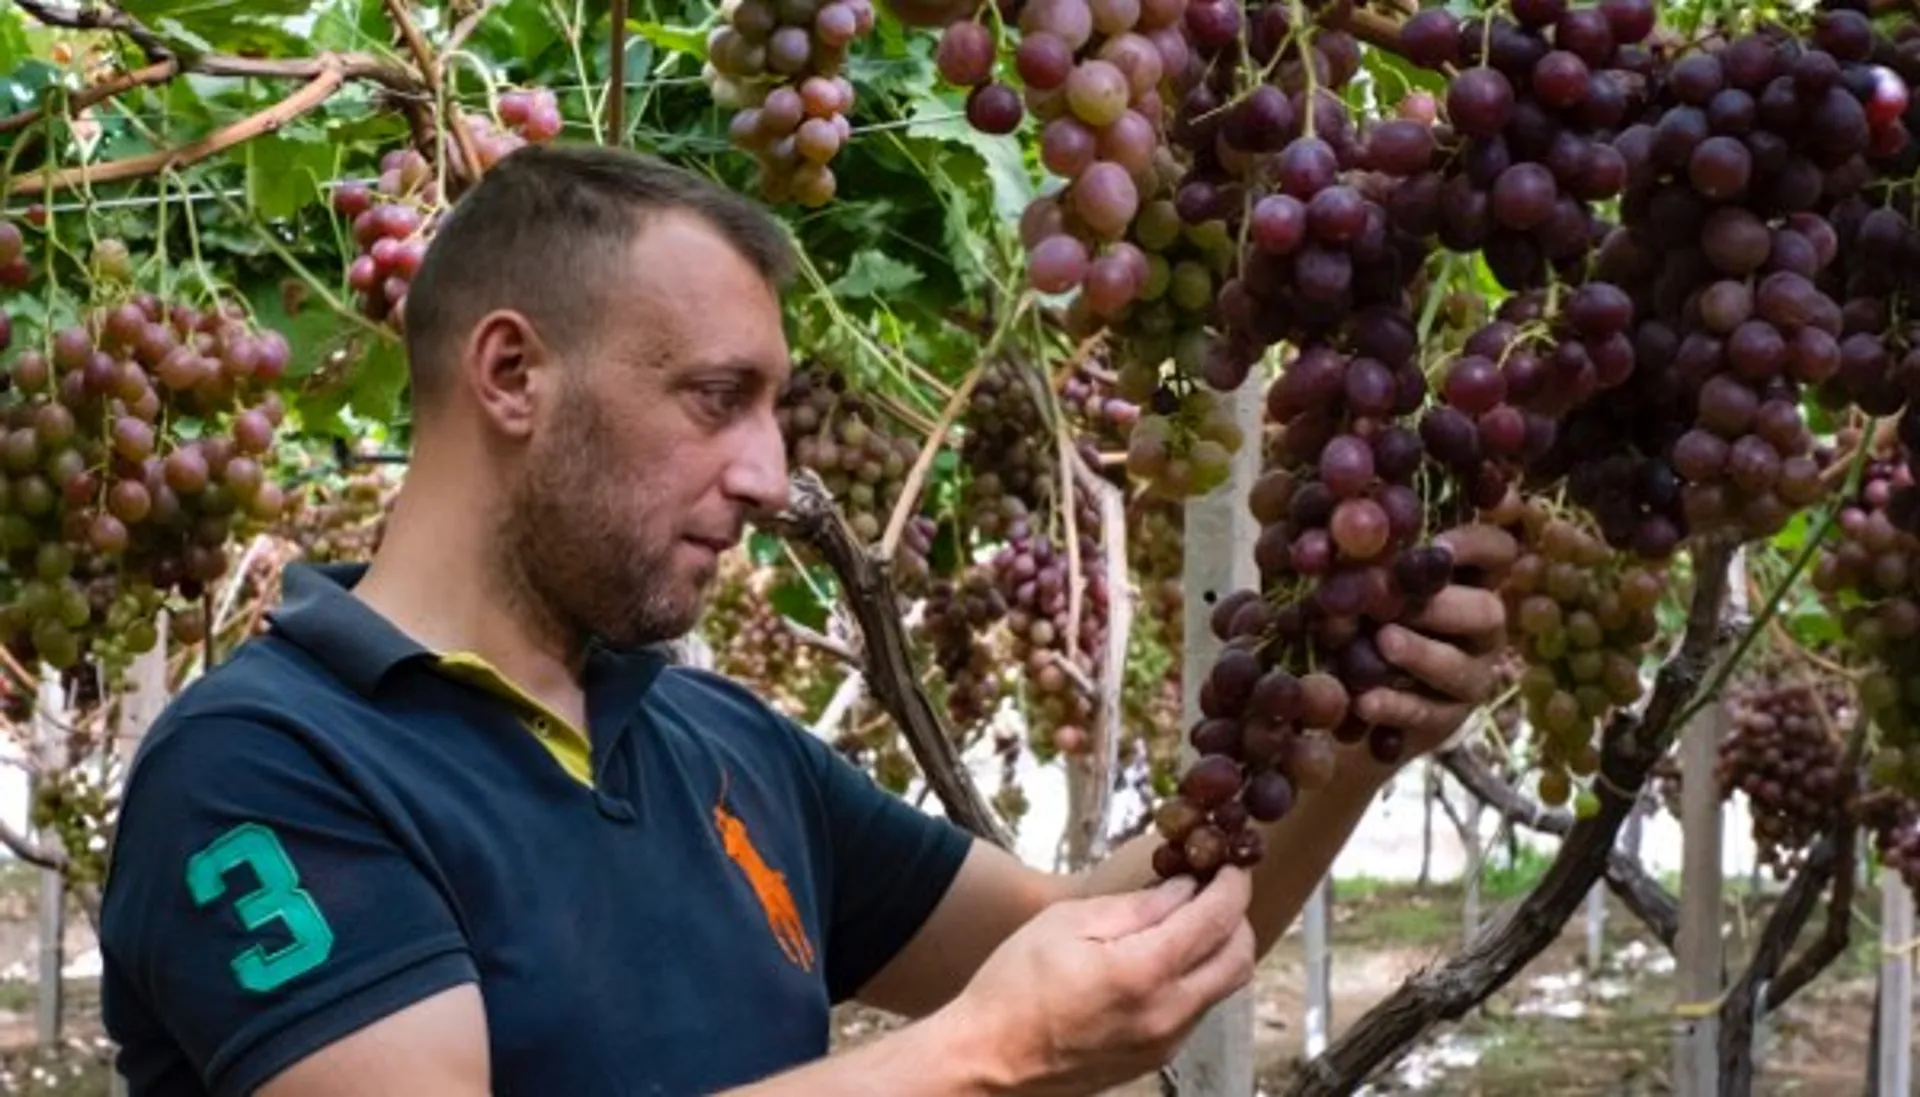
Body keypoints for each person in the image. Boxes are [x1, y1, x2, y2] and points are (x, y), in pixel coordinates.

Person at [96, 143, 1515, 1097]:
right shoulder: (265, 771)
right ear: (514, 375)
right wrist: (978, 1055)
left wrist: (1347, 732)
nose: (775, 477)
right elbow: (1015, 1025)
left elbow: (1094, 944)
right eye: (718, 399)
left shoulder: (716, 742)